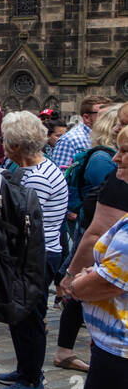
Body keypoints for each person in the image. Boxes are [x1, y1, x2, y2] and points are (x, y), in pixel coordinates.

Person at [28, 124, 128, 389]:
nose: (117, 159)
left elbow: (106, 281)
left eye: (125, 152)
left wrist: (78, 281)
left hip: (119, 348)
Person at [0, 111, 68, 389]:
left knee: (31, 318)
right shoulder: (35, 169)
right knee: (22, 316)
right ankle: (25, 367)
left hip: (38, 255)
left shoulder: (36, 178)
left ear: (15, 146)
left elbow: (18, 220)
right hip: (38, 252)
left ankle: (32, 379)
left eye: (5, 141)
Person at [54, 105, 125, 371]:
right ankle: (66, 350)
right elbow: (96, 229)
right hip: (97, 253)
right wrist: (73, 276)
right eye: (119, 123)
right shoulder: (106, 164)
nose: (120, 128)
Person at [50, 95, 114, 170]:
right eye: (104, 115)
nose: (109, 118)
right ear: (86, 117)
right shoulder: (69, 140)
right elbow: (61, 176)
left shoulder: (109, 135)